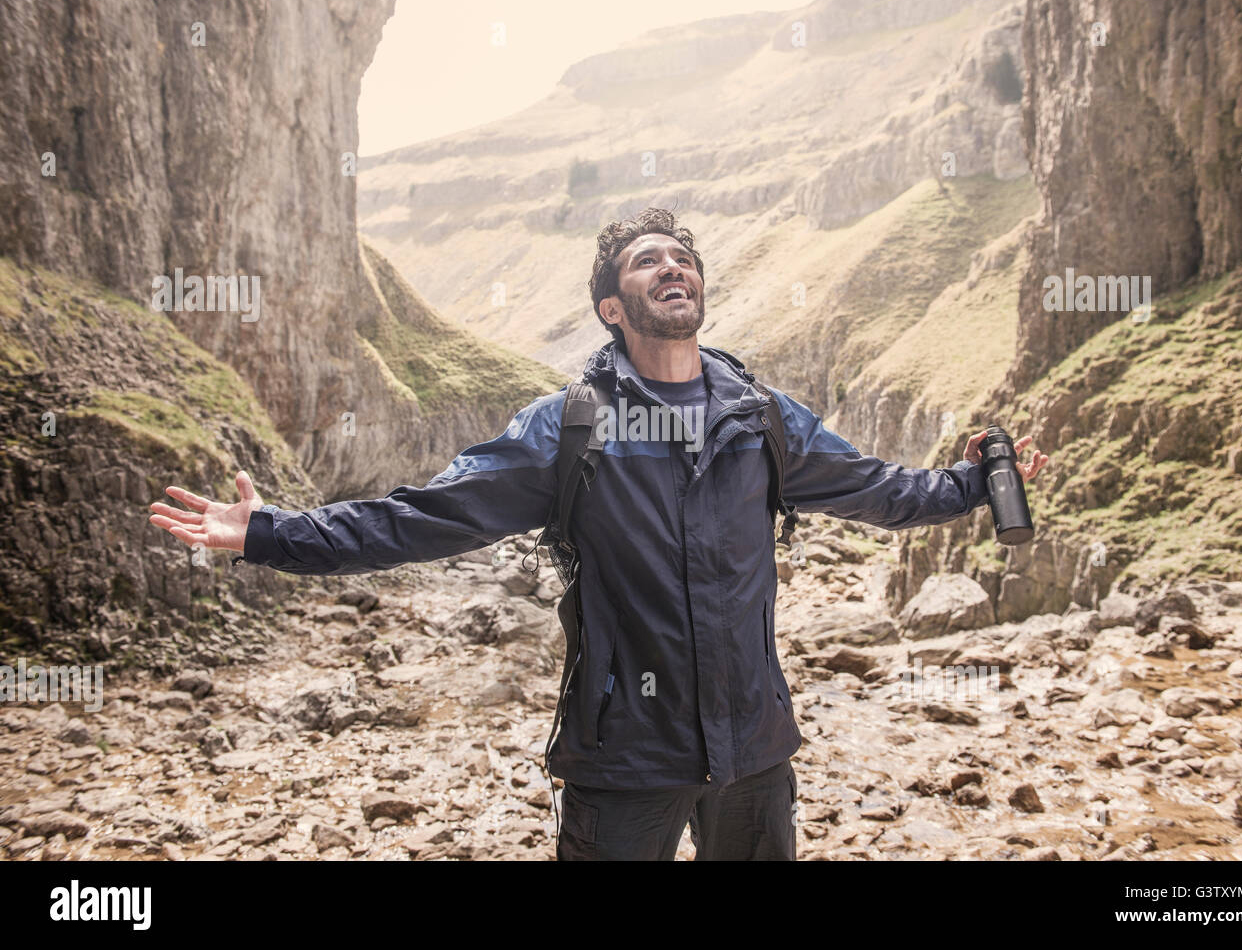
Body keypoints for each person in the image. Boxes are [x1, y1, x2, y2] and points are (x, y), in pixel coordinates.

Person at [149, 207, 1048, 860]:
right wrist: (269, 533)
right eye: (647, 261)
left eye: (682, 257)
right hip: (625, 759)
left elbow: (883, 491)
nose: (672, 267)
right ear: (613, 308)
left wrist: (975, 483)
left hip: (756, 752)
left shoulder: (764, 419)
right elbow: (420, 517)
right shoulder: (565, 430)